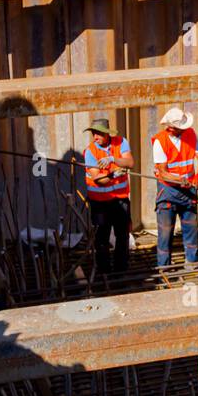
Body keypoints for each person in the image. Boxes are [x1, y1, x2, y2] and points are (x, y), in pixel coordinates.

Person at [152, 106, 198, 269]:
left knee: (190, 228)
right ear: (171, 127)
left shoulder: (190, 134)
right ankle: (164, 267)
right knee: (165, 232)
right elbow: (162, 172)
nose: (184, 129)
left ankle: (192, 262)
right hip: (168, 191)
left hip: (189, 190)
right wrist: (179, 179)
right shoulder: (160, 142)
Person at [83, 118, 133, 279]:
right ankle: (104, 271)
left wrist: (113, 159)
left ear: (107, 134)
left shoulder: (121, 142)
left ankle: (121, 269)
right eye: (93, 133)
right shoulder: (90, 151)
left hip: (120, 199)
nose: (95, 137)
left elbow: (130, 162)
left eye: (98, 134)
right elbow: (98, 179)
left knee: (122, 235)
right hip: (100, 202)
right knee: (102, 238)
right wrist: (113, 174)